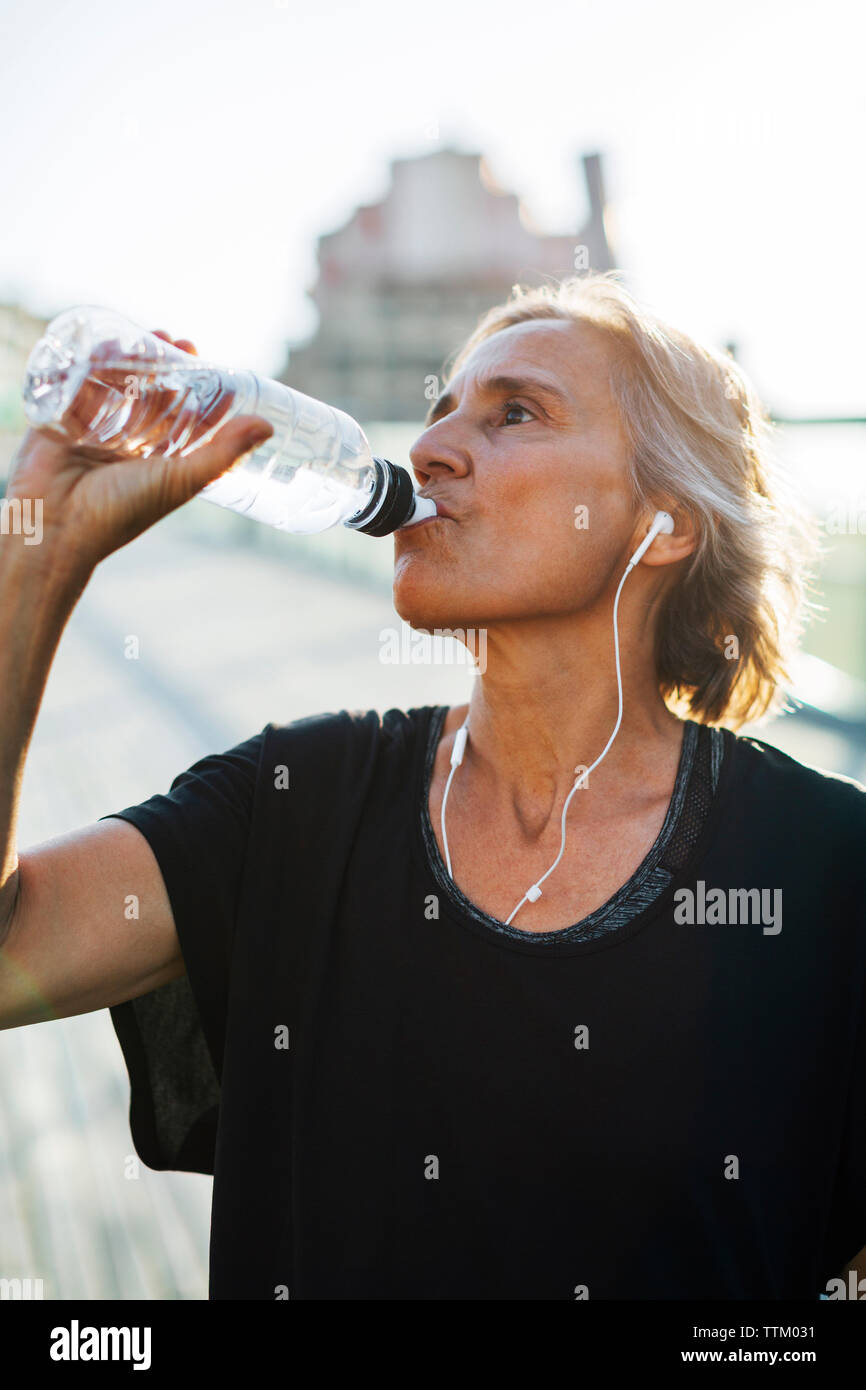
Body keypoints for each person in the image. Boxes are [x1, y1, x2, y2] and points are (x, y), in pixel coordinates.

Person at [1, 273, 864, 1301]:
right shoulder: (295, 799)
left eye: (515, 413)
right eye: (439, 412)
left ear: (663, 522)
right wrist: (36, 560)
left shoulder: (824, 868)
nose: (430, 450)